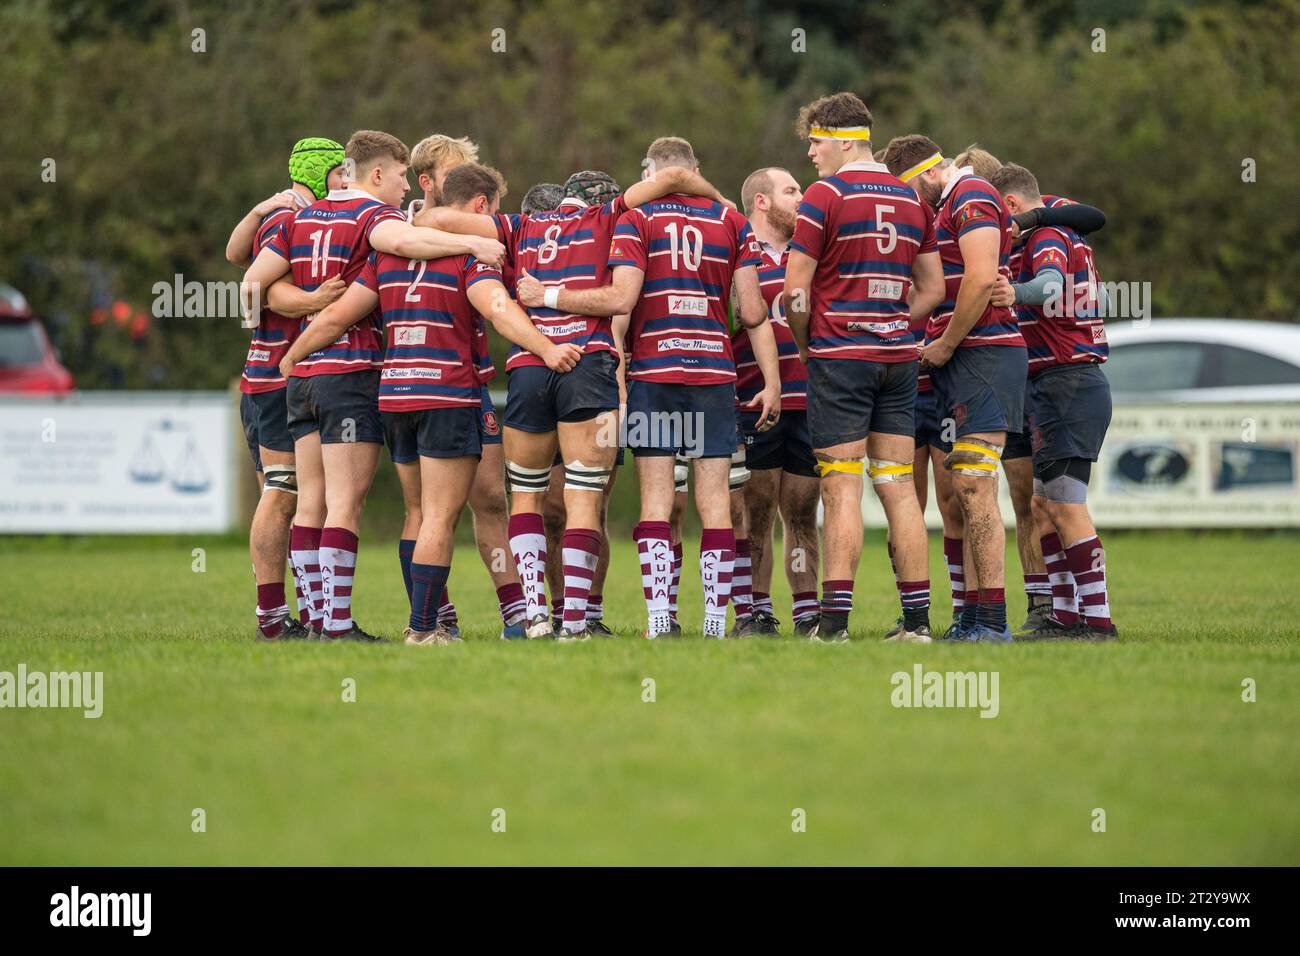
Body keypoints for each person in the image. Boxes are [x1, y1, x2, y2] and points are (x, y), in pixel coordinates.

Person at [240, 129, 504, 640]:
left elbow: (255, 281)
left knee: (310, 499)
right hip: (349, 371)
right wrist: (471, 241)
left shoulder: (302, 216)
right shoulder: (371, 215)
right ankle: (337, 625)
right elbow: (404, 241)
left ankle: (315, 618)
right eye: (402, 175)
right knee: (344, 502)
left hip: (303, 375)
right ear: (378, 173)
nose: (405, 188)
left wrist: (277, 335)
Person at [519, 137, 780, 638]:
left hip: (655, 373)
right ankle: (714, 621)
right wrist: (769, 379)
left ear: (649, 172)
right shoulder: (731, 221)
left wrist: (616, 384)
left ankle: (660, 619)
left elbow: (621, 304)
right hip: (713, 373)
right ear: (696, 169)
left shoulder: (635, 221)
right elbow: (752, 312)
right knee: (714, 501)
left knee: (657, 501)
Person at [784, 94, 945, 643]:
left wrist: (807, 346)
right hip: (897, 360)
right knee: (899, 488)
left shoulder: (825, 195)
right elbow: (933, 288)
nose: (811, 152)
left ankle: (833, 626)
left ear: (847, 140)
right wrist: (892, 320)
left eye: (817, 140)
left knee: (842, 488)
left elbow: (795, 290)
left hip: (840, 358)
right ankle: (918, 624)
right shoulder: (909, 196)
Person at [882, 133, 1026, 643]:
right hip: (962, 361)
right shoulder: (948, 205)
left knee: (972, 484)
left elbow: (982, 278)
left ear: (924, 174)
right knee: (965, 489)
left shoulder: (970, 197)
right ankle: (972, 616)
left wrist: (943, 343)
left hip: (984, 355)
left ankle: (993, 623)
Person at [990, 163, 1117, 640]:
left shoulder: (1047, 235)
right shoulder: (1053, 226)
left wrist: (1012, 292)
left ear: (1012, 207)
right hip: (1053, 384)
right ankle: (1064, 617)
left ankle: (1098, 621)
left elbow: (1048, 288)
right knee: (1043, 506)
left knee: (1066, 506)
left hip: (1069, 380)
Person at [734, 166, 821, 635]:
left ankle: (808, 611)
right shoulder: (735, 251)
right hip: (754, 401)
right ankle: (755, 611)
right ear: (762, 202)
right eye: (792, 191)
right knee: (757, 510)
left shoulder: (811, 252)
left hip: (812, 400)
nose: (802, 198)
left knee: (803, 509)